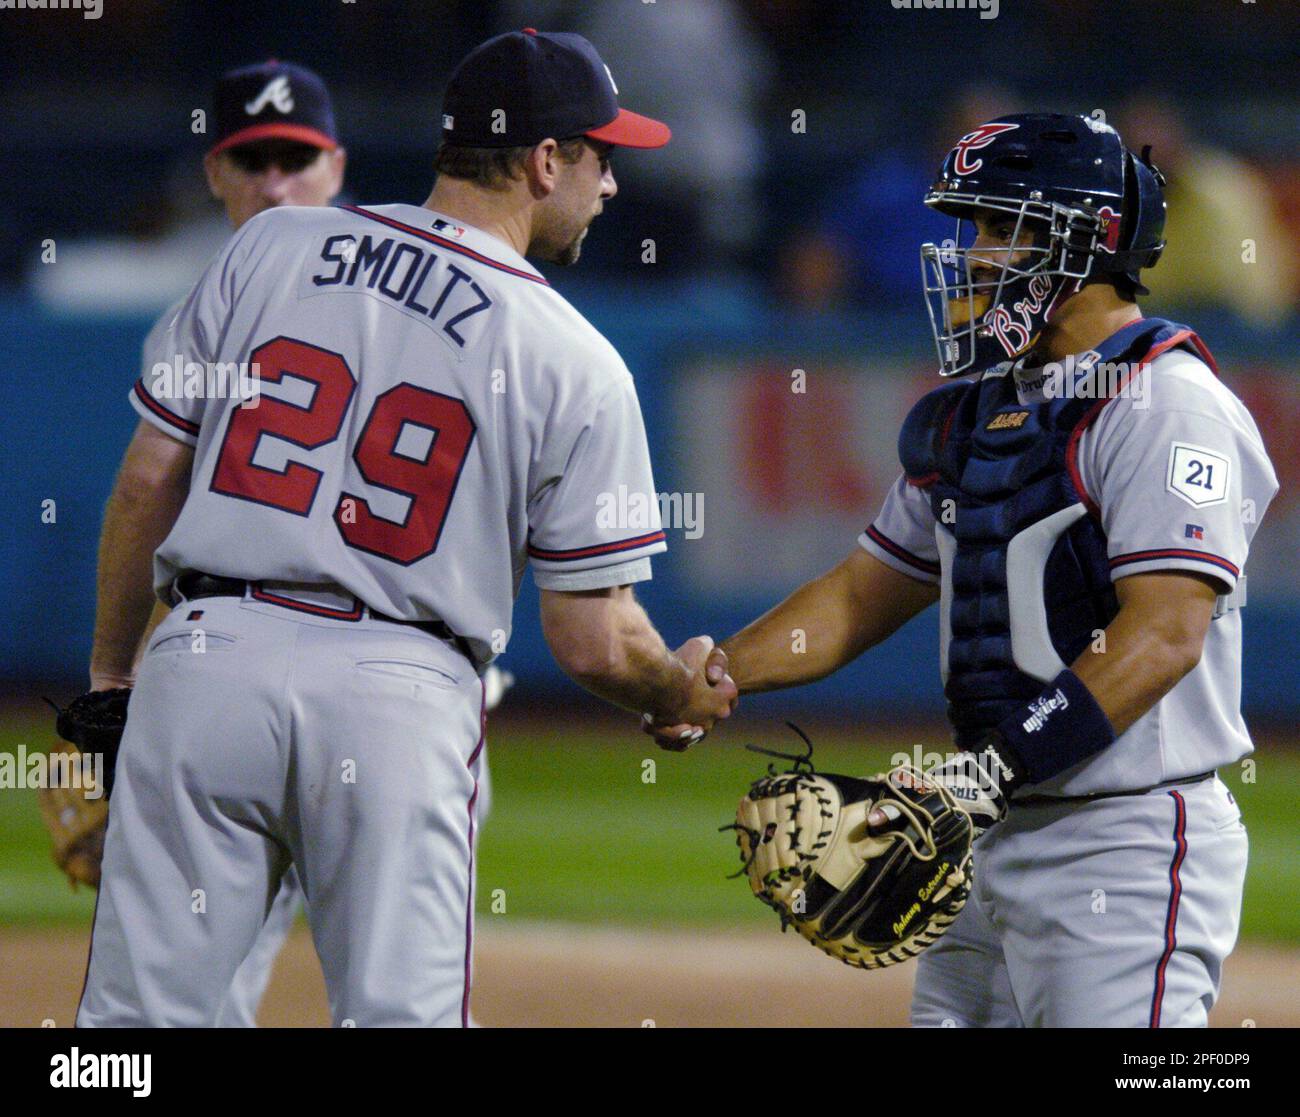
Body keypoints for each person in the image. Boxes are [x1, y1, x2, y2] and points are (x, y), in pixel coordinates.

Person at [77, 28, 735, 1028]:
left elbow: (146, 483)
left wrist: (113, 679)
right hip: (396, 692)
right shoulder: (575, 356)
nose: (610, 184)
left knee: (131, 1030)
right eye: (601, 156)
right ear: (544, 159)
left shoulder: (269, 245)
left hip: (207, 655)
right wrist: (672, 689)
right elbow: (595, 638)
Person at [649, 113, 1278, 1027]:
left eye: (996, 226)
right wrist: (712, 675)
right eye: (970, 227)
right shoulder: (979, 412)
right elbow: (861, 592)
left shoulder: (1167, 403)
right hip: (984, 826)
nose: (971, 253)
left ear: (1081, 239)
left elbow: (1164, 635)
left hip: (1125, 841)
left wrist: (989, 772)